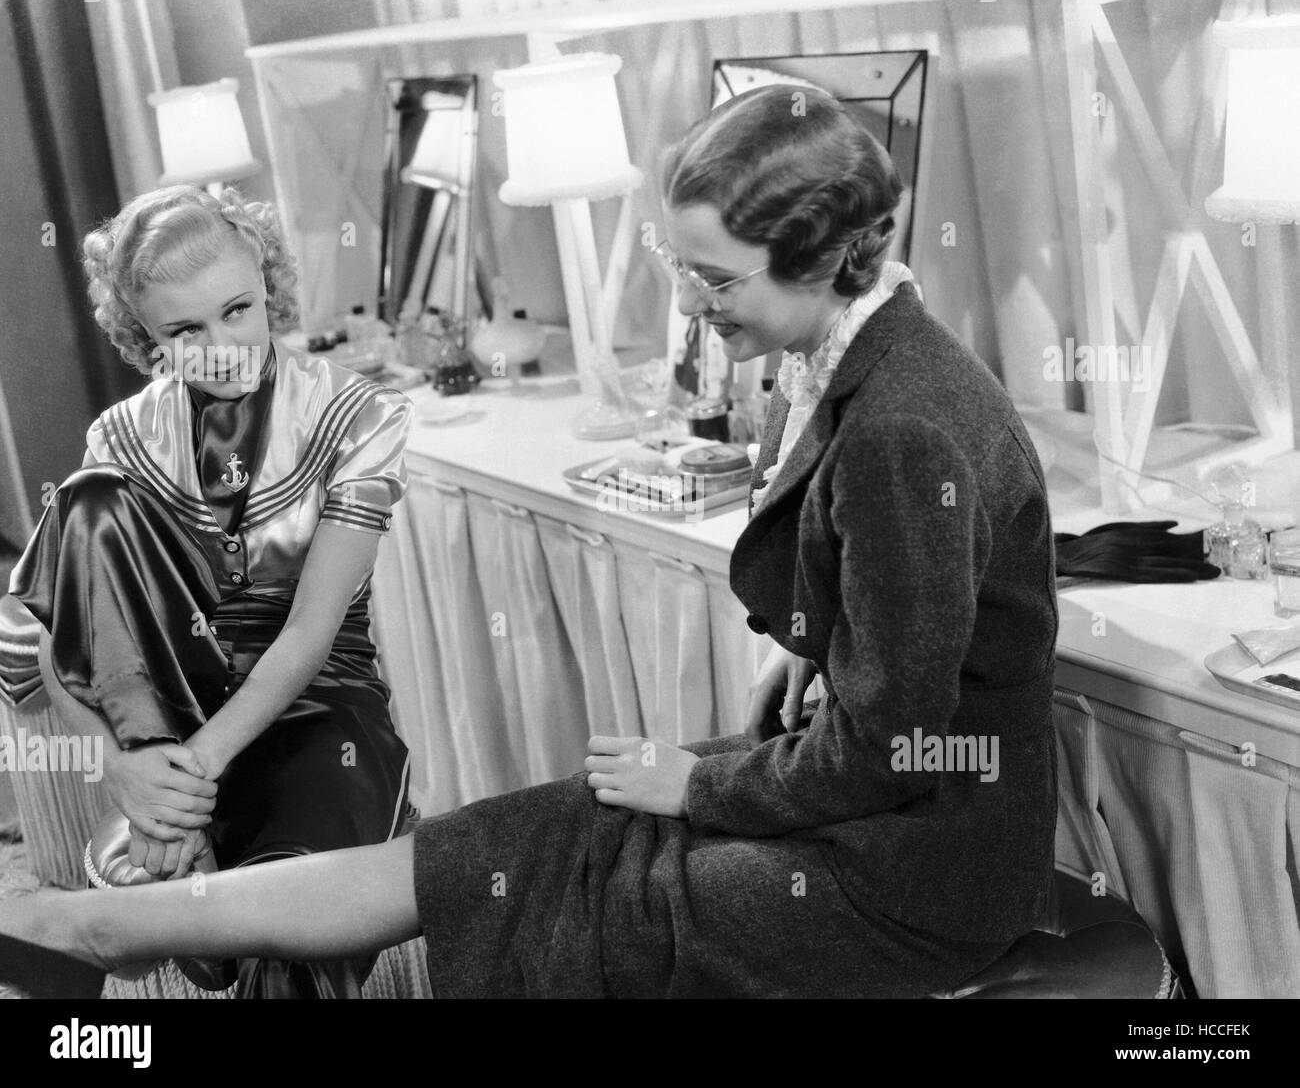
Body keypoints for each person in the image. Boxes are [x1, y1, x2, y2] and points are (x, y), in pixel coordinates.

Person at [0, 86, 1057, 999]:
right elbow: (908, 615)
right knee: (532, 833)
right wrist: (823, 635)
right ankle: (106, 930)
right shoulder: (875, 357)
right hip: (881, 809)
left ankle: (105, 931)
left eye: (717, 280)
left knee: (581, 888)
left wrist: (695, 786)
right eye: (677, 265)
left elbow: (883, 748)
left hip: (916, 872)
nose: (688, 302)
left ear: (825, 258)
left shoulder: (903, 428)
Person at [5, 185, 414, 998]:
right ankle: (187, 899)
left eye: (237, 310)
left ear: (269, 287)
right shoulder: (119, 439)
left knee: (295, 919)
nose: (221, 346)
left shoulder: (357, 413)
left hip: (316, 707)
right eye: (184, 330)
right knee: (87, 501)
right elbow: (65, 652)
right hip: (169, 709)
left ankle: (204, 911)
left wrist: (188, 782)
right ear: (144, 337)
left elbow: (311, 633)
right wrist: (125, 766)